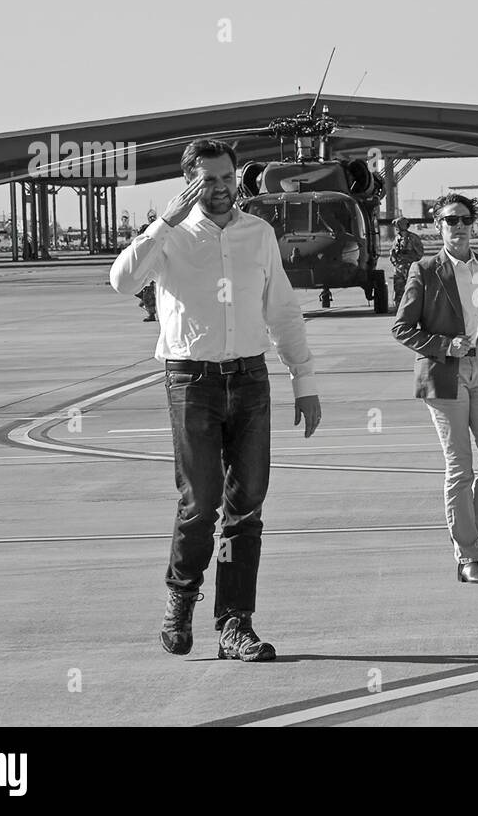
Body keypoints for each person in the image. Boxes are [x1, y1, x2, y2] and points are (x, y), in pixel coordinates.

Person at [110, 140, 322, 662]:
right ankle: (181, 597)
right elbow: (121, 281)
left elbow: (283, 310)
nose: (221, 187)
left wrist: (304, 379)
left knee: (247, 505)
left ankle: (235, 624)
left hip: (250, 380)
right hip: (191, 382)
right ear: (189, 183)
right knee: (200, 503)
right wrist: (163, 223)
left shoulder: (258, 233)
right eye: (208, 179)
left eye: (227, 177)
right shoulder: (170, 237)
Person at [392, 193, 478, 584]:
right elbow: (402, 327)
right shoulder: (424, 270)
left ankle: (465, 544)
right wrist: (444, 345)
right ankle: (470, 557)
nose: (458, 226)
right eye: (449, 220)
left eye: (464, 219)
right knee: (460, 466)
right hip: (444, 372)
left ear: (473, 224)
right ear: (437, 226)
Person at [389, 215, 425, 307]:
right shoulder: (397, 239)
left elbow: (420, 252)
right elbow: (392, 253)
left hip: (411, 267)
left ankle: (413, 305)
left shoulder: (413, 238)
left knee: (413, 286)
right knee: (399, 288)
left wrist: (412, 262)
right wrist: (396, 263)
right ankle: (399, 306)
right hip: (399, 268)